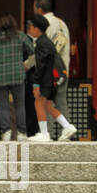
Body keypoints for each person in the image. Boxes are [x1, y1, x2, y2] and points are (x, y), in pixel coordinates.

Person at [25, 13, 76, 142]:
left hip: (46, 80)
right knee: (48, 105)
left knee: (38, 103)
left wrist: (36, 83)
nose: (29, 30)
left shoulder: (41, 44)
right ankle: (67, 126)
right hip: (53, 79)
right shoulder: (47, 42)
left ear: (37, 29)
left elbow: (40, 65)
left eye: (30, 27)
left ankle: (44, 133)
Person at [0, 14, 33, 144]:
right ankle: (22, 133)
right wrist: (26, 64)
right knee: (20, 105)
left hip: (0, 76)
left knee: (3, 106)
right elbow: (32, 50)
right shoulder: (20, 36)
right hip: (17, 74)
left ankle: (6, 132)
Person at [32, 0, 71, 139]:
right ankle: (66, 132)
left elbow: (43, 51)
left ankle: (46, 133)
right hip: (63, 69)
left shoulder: (45, 24)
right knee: (61, 102)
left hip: (50, 71)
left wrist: (27, 65)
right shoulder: (62, 23)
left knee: (44, 100)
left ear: (39, 9)